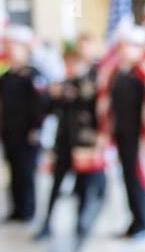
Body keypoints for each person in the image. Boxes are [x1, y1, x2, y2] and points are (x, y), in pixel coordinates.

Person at [35, 48, 104, 241]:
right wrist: (52, 95)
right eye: (66, 64)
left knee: (83, 186)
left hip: (82, 143)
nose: (69, 68)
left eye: (73, 64)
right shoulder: (61, 84)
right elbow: (47, 109)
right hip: (63, 142)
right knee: (55, 183)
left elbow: (94, 108)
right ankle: (47, 222)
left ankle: (80, 221)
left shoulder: (90, 84)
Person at [0, 25, 47, 223]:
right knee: (13, 171)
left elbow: (41, 104)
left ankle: (27, 210)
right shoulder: (5, 76)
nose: (11, 50)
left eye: (16, 46)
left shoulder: (33, 75)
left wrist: (36, 128)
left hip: (28, 132)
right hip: (10, 130)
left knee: (26, 172)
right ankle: (16, 208)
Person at [109, 27, 145, 238]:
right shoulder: (121, 73)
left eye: (127, 46)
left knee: (138, 178)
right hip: (123, 134)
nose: (122, 50)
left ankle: (143, 221)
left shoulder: (144, 73)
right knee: (127, 178)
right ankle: (135, 219)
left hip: (138, 136)